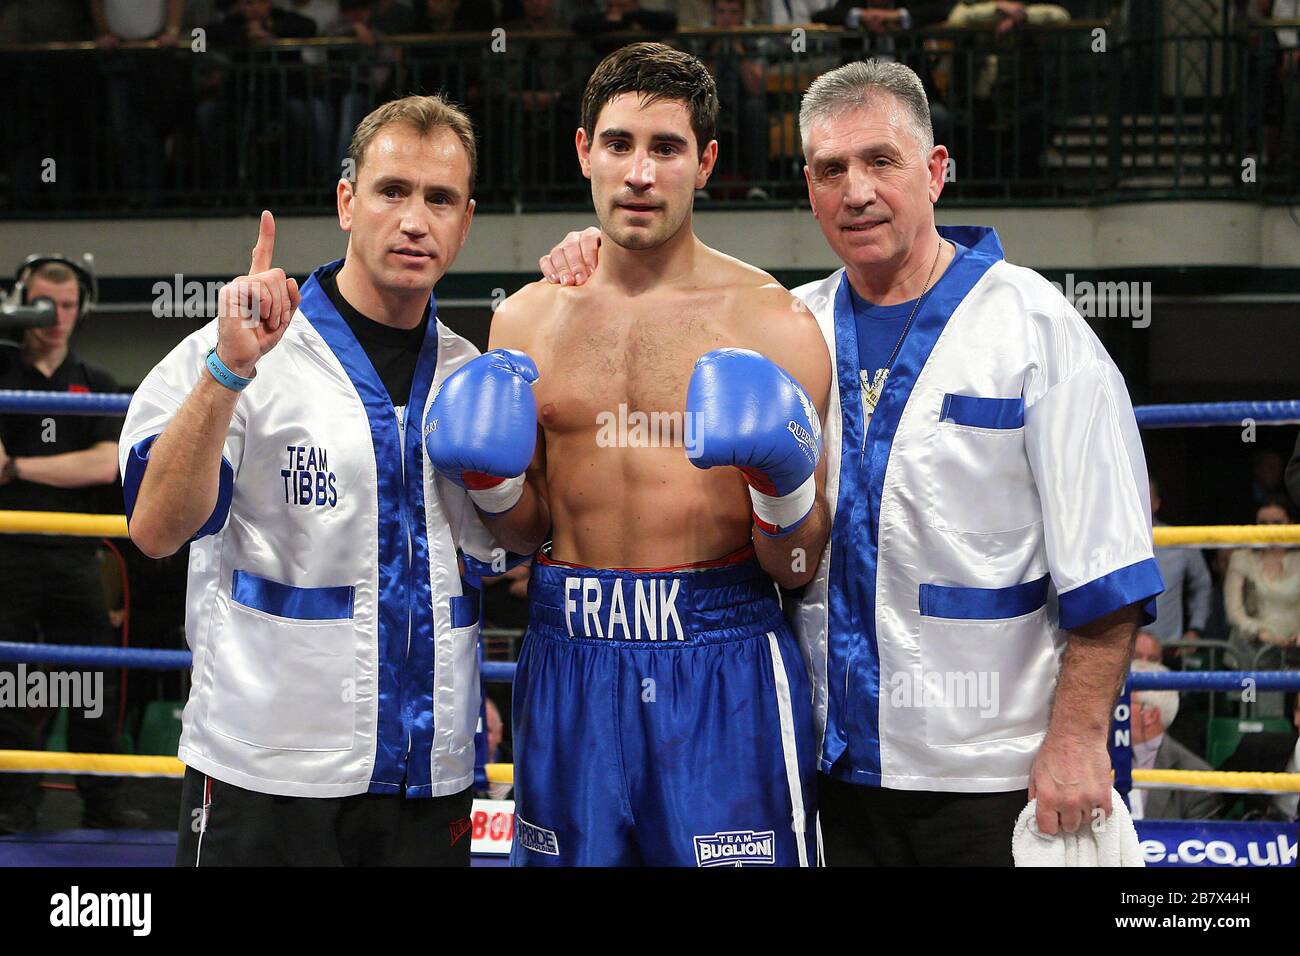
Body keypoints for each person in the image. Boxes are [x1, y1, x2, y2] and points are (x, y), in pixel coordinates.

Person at [538, 58, 1163, 865]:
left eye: (880, 161)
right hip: (829, 763)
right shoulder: (788, 326)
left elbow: (1108, 566)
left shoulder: (1039, 331)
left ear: (936, 171)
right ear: (808, 186)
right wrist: (593, 256)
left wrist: (1078, 739)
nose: (856, 191)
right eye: (831, 169)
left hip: (995, 771)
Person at [427, 42, 832, 867]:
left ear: (706, 163)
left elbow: (797, 566)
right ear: (584, 152)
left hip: (720, 656)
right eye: (618, 145)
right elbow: (520, 536)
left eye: (666, 148)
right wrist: (493, 486)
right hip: (567, 648)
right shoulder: (528, 321)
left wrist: (781, 491)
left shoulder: (776, 325)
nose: (639, 172)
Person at [119, 94, 504, 866]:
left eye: (440, 199)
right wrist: (227, 374)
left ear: (466, 219)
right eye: (392, 191)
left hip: (428, 776)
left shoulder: (475, 378)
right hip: (264, 775)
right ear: (346, 201)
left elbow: (503, 555)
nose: (414, 220)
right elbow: (156, 529)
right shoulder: (237, 350)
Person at [0, 256, 146, 834]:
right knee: (9, 679)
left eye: (66, 305)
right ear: (20, 302)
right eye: (43, 304)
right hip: (6, 552)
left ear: (81, 307)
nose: (56, 317)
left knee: (94, 675)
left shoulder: (99, 381)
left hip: (73, 553)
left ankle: (101, 799)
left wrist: (15, 466)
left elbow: (104, 465)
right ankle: (13, 800)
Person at [1126, 660, 1223, 821]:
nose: (1114, 708)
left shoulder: (1198, 780)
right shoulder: (1094, 757)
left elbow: (1198, 842)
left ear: (1149, 715)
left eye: (1123, 702)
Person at [1224, 495, 1300, 671]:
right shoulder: (1241, 558)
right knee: (1249, 697)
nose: (1270, 529)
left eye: (1277, 523)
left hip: (1295, 652)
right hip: (1251, 652)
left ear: (1291, 523)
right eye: (1263, 523)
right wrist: (1261, 634)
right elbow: (1234, 612)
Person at [1149, 477, 1212, 646]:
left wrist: (1195, 629)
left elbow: (1202, 585)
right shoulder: (1112, 542)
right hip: (1118, 650)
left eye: (1145, 498)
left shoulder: (1179, 541)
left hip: (1168, 647)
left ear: (1156, 503)